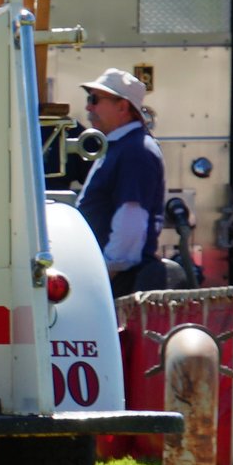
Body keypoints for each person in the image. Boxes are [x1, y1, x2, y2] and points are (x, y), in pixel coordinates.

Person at [74, 67, 165, 297]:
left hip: (121, 282)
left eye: (95, 100)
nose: (89, 107)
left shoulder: (135, 151)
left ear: (123, 106)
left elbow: (130, 222)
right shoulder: (122, 147)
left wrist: (104, 273)